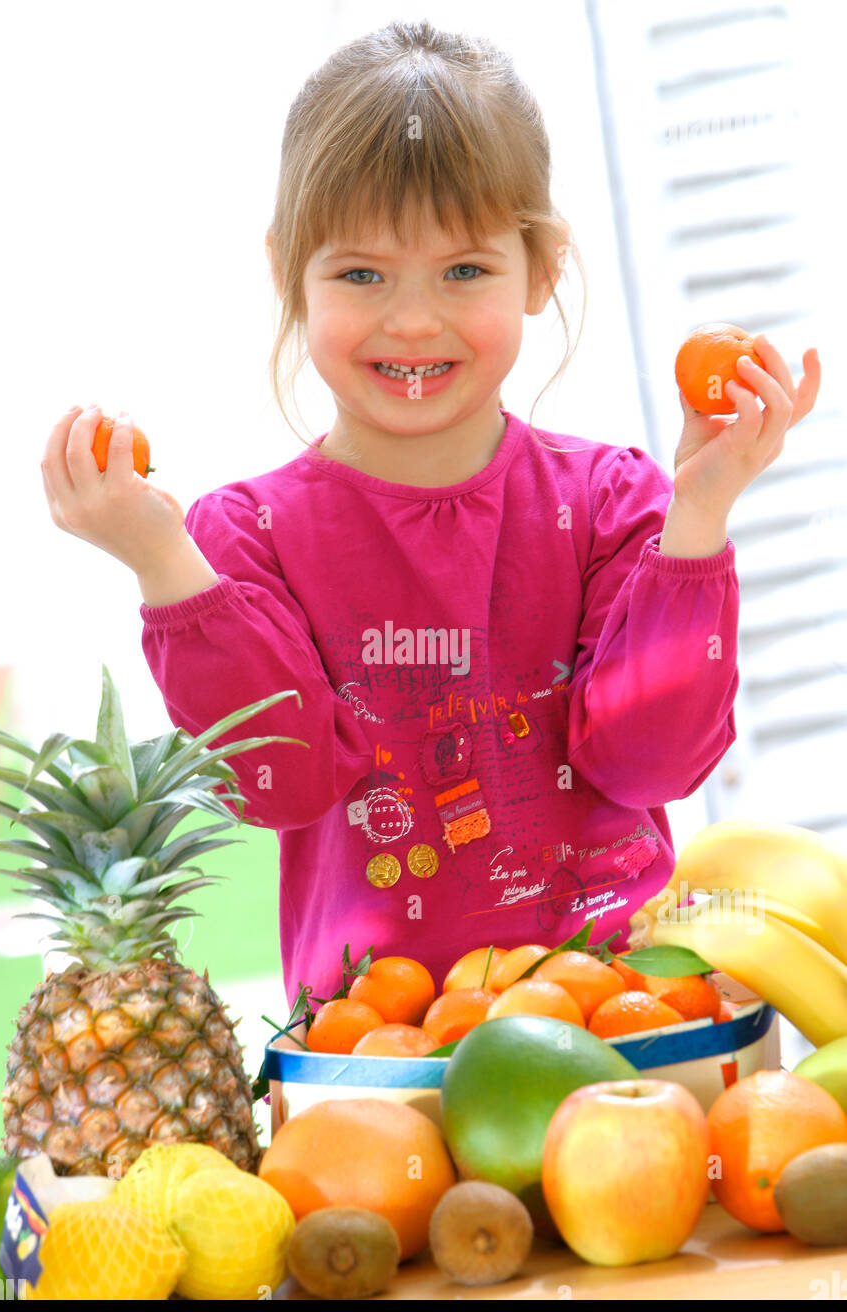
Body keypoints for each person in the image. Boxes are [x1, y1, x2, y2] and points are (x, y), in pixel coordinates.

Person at [40, 21, 820, 1009]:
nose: (412, 320)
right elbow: (279, 785)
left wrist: (698, 515)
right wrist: (164, 564)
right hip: (374, 1069)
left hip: (618, 1023)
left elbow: (649, 760)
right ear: (289, 271)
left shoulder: (618, 506)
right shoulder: (244, 539)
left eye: (463, 271)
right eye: (362, 274)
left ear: (540, 268)